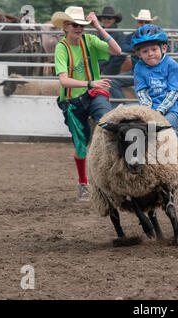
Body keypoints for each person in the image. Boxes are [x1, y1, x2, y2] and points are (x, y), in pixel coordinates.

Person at [51, 6, 122, 200]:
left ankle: (113, 177)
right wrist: (90, 82)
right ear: (65, 27)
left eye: (81, 25)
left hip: (94, 93)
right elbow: (64, 81)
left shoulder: (90, 40)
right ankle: (83, 182)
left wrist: (98, 27)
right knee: (81, 145)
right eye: (74, 25)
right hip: (72, 101)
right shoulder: (61, 47)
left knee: (108, 123)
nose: (79, 28)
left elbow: (117, 50)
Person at [131, 24, 178, 173]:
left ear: (163, 48)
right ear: (139, 54)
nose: (150, 54)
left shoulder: (172, 65)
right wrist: (148, 110)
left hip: (172, 109)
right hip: (151, 109)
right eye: (145, 51)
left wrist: (160, 111)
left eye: (154, 49)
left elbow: (173, 93)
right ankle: (138, 160)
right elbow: (142, 92)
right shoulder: (139, 68)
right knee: (136, 127)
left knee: (165, 129)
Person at [110, 9, 158, 107]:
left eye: (146, 22)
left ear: (151, 23)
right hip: (135, 73)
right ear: (137, 22)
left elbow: (167, 49)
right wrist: (139, 48)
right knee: (113, 82)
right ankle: (121, 111)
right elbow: (122, 46)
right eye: (141, 22)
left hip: (154, 73)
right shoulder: (131, 36)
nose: (143, 24)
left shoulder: (157, 36)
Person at [97, 6, 126, 76]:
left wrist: (106, 71)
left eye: (109, 18)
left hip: (112, 71)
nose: (106, 20)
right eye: (104, 18)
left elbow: (120, 56)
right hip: (96, 68)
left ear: (114, 20)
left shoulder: (120, 34)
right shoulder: (97, 33)